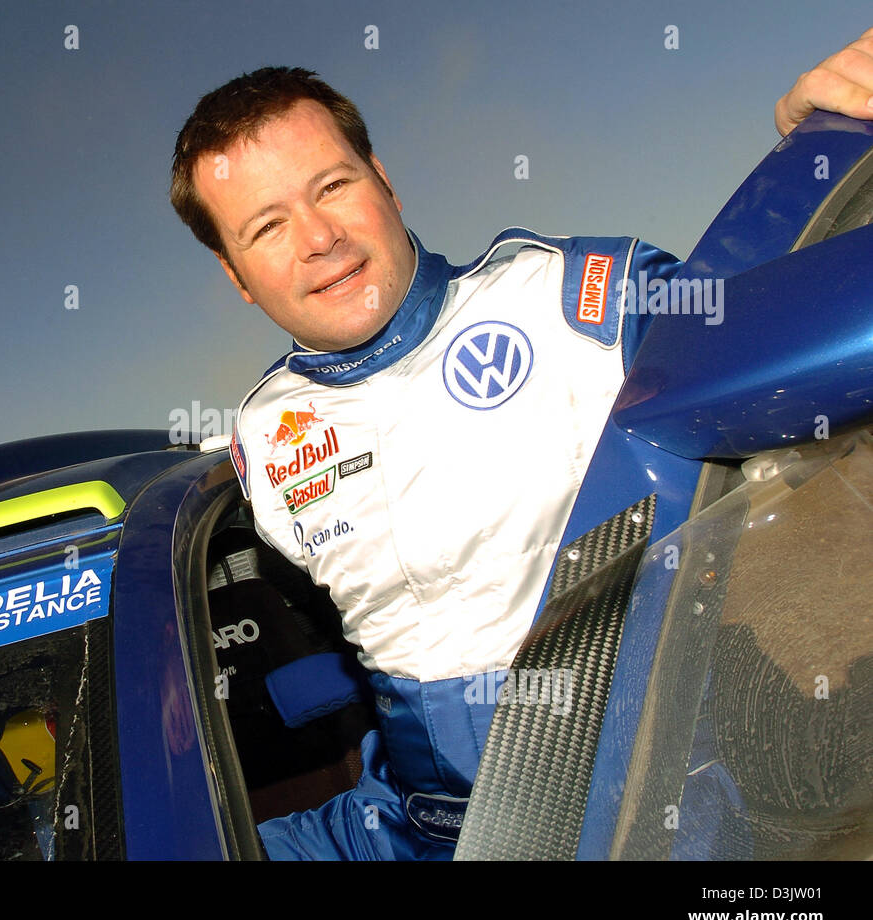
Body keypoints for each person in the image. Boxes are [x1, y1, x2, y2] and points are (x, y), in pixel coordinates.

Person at [168, 32, 873, 860]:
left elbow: (779, 317)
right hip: (415, 826)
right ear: (235, 274)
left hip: (643, 800)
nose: (318, 237)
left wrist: (823, 151)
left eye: (333, 185)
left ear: (384, 183)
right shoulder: (260, 436)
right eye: (266, 226)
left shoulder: (574, 300)